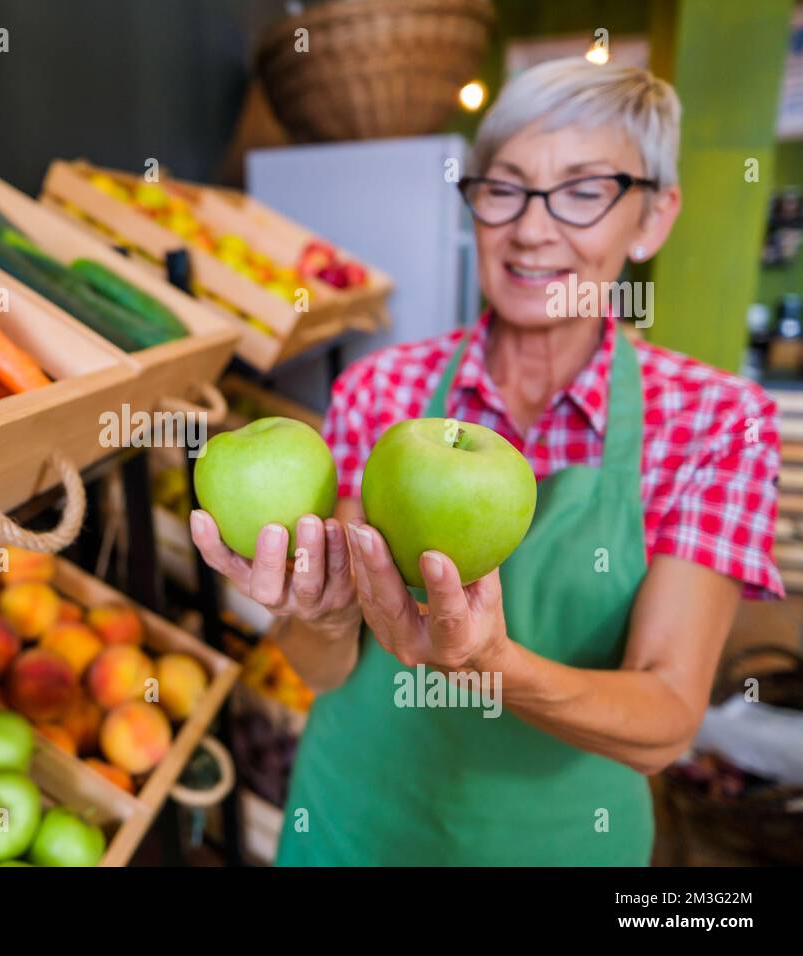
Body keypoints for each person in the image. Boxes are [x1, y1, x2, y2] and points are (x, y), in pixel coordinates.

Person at [191, 57, 783, 865]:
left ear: (652, 219)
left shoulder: (715, 424)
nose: (531, 229)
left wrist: (493, 665)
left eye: (584, 191)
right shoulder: (384, 389)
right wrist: (319, 614)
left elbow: (667, 718)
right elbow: (324, 669)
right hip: (352, 824)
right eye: (503, 188)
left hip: (562, 844)